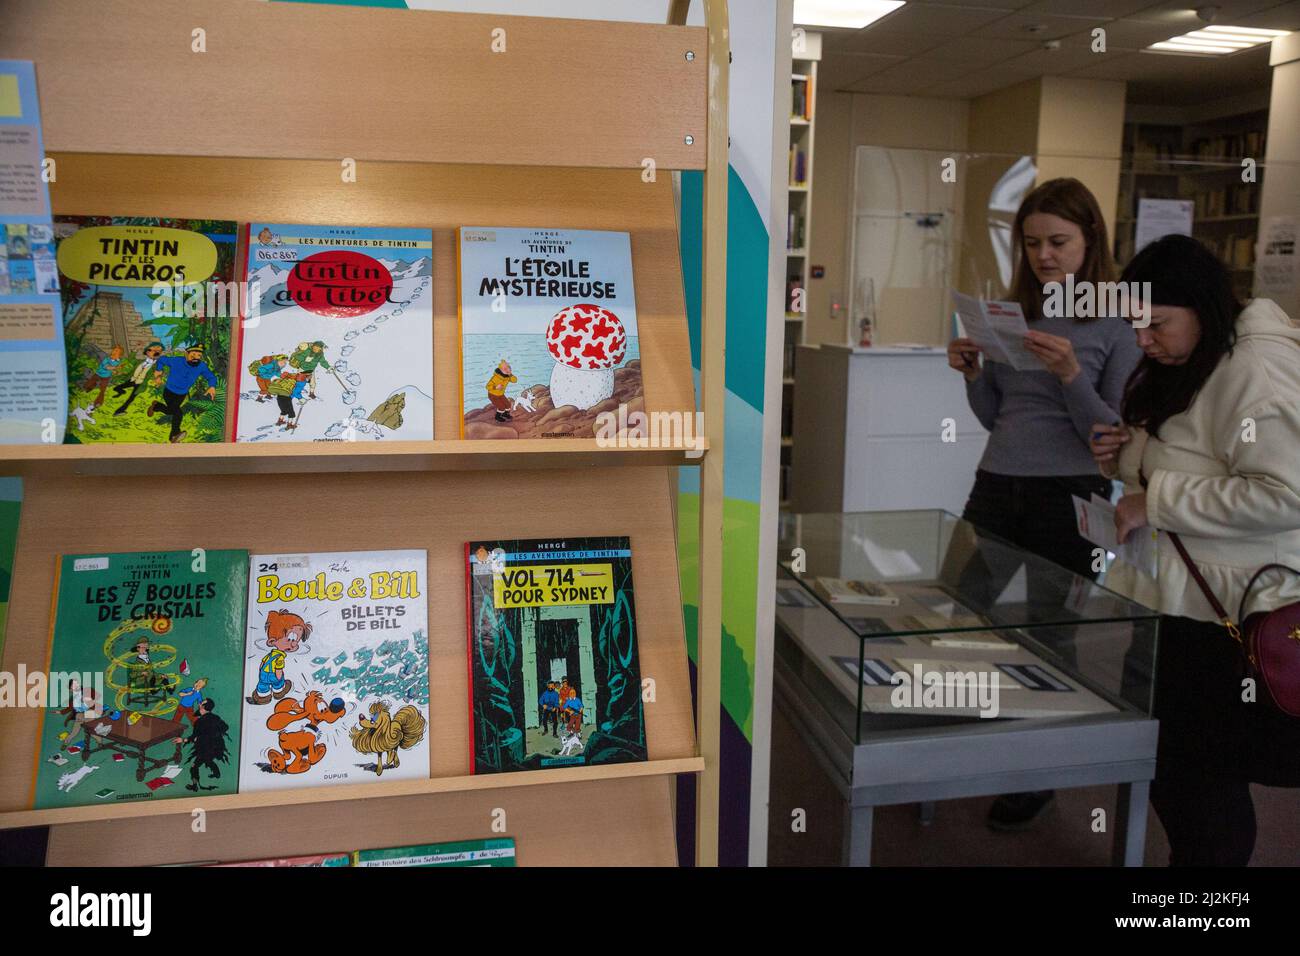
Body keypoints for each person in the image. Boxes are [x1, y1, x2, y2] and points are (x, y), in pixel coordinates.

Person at [1089, 234, 1300, 866]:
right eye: (1136, 325)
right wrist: (1127, 452)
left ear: (1203, 307)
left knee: (1199, 785)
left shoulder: (1256, 369)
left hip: (1227, 617)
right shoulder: (1197, 358)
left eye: (1156, 325)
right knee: (1179, 773)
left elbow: (1285, 494)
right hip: (1179, 604)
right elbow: (1194, 452)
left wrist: (1156, 498)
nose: (1143, 340)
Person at [946, 178, 1142, 830]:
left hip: (1073, 491)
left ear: (1090, 243)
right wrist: (975, 374)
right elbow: (996, 416)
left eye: (1058, 242)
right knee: (956, 613)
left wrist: (1069, 376)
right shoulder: (1014, 313)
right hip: (998, 481)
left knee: (1050, 635)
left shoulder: (1115, 322)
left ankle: (1039, 776)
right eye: (1031, 243)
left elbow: (1109, 435)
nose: (1044, 256)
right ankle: (954, 746)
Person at [148, 344, 218, 443]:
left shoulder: (201, 366)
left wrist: (212, 386)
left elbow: (211, 376)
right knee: (178, 413)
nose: (196, 358)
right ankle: (174, 435)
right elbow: (162, 359)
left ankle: (156, 406)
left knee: (170, 411)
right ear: (186, 354)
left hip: (181, 395)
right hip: (169, 392)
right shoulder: (176, 361)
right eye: (193, 355)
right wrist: (158, 371)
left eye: (199, 356)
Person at [112, 341, 164, 415]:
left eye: (157, 352)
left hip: (140, 384)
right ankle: (121, 392)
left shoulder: (156, 366)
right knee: (117, 388)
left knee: (130, 398)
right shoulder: (140, 362)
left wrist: (158, 377)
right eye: (150, 350)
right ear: (146, 352)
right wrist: (136, 349)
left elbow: (159, 372)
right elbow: (131, 359)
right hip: (132, 380)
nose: (153, 353)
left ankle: (119, 411)